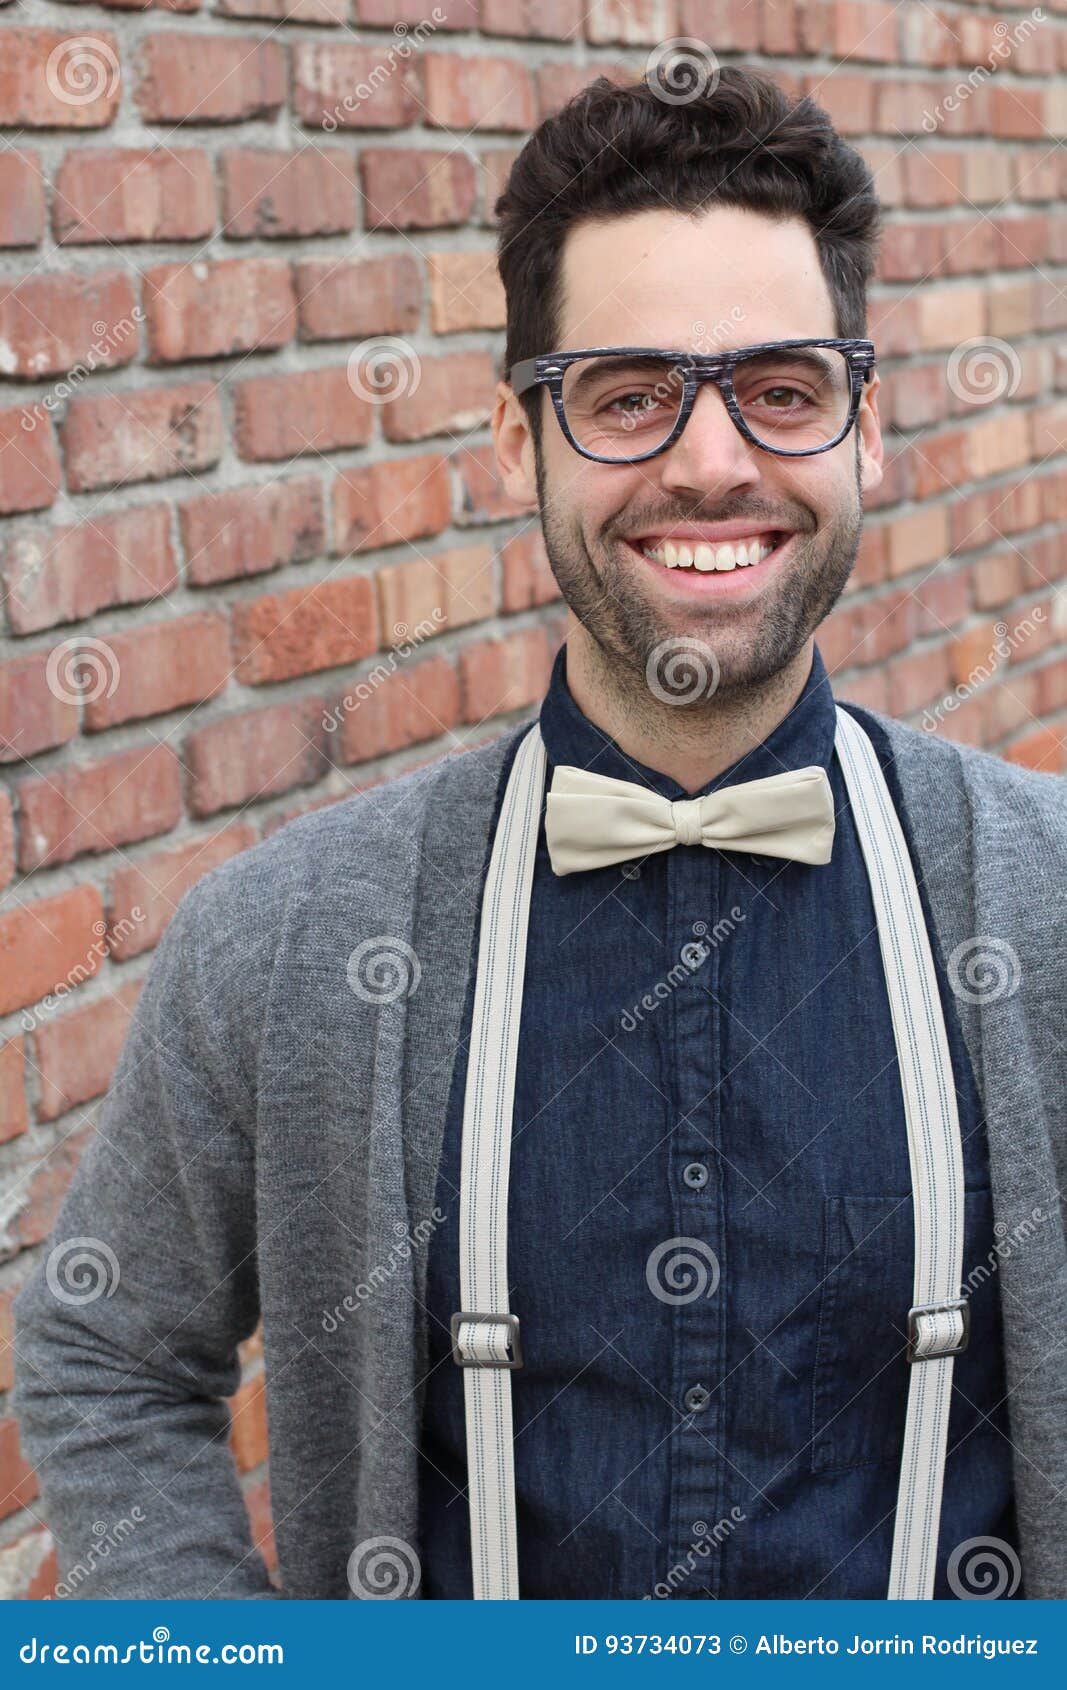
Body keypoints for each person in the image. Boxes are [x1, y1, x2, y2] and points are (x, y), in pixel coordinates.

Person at [12, 67, 1066, 1603]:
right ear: (520, 446)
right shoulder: (285, 940)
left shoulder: (1044, 906)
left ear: (867, 429)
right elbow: (104, 1347)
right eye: (629, 394)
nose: (713, 461)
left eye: (781, 388)